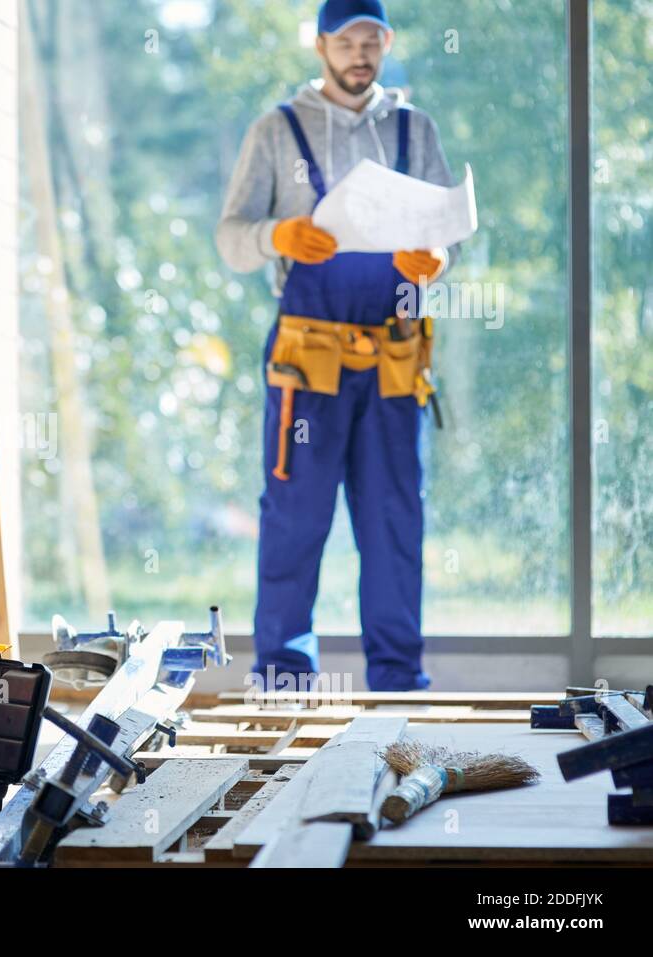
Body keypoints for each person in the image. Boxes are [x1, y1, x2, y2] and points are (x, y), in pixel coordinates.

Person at [216, 0, 458, 692]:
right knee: (295, 519)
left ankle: (398, 677)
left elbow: (451, 234)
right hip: (307, 361)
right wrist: (277, 237)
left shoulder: (415, 130)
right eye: (347, 41)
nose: (360, 54)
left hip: (394, 357)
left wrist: (437, 260)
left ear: (386, 45)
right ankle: (284, 680)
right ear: (321, 45)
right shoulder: (276, 130)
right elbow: (231, 235)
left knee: (393, 521)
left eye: (372, 41)